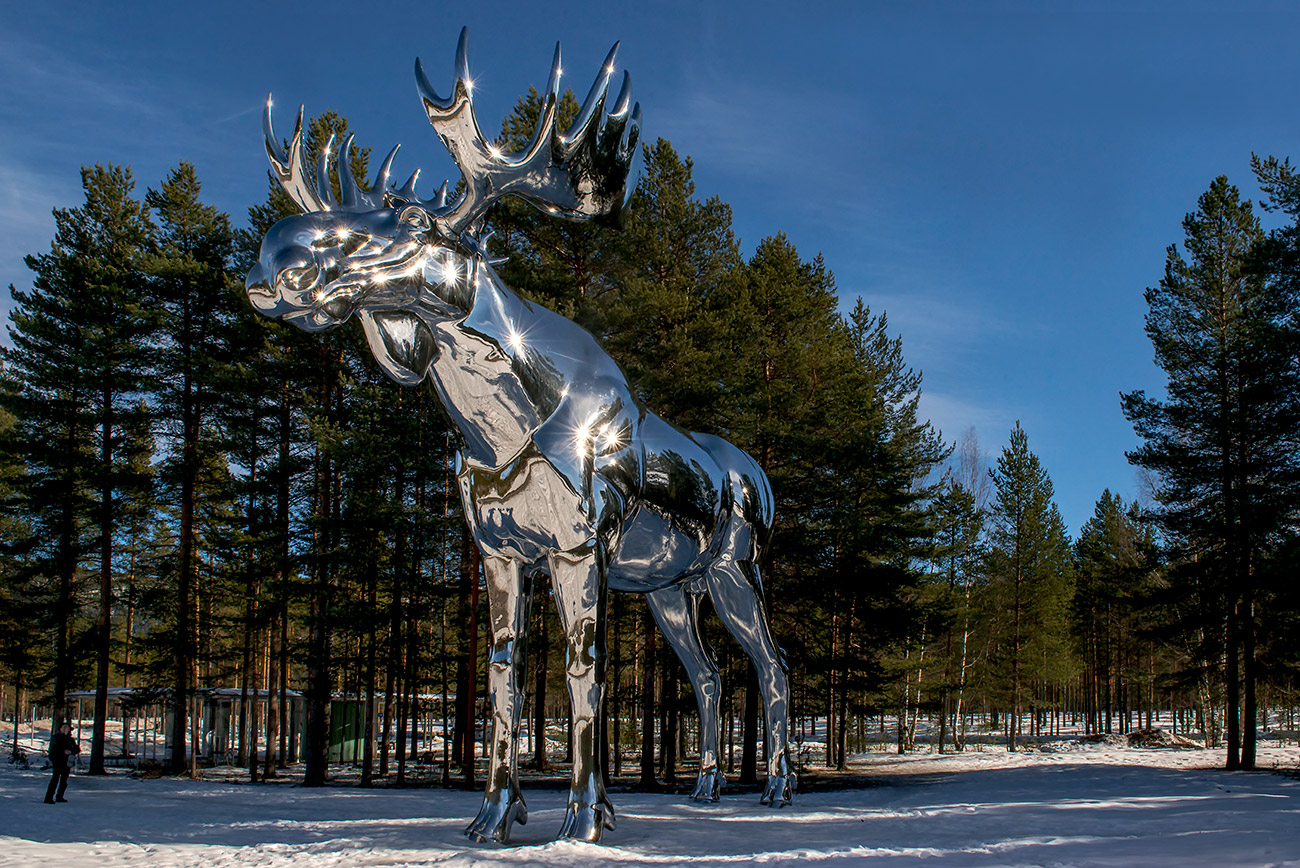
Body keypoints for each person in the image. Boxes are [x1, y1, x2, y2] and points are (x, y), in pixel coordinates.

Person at [44, 721, 79, 804]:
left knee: (64, 780)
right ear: (60, 729)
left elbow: (77, 749)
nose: (66, 729)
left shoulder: (70, 739)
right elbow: (55, 749)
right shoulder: (57, 738)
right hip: (58, 761)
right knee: (55, 779)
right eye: (64, 728)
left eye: (67, 728)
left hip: (67, 762)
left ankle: (60, 796)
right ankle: (49, 797)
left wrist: (70, 751)